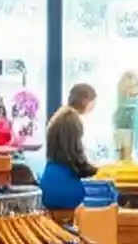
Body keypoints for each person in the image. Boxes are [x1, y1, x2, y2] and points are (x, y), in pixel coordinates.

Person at [40, 83, 99, 218]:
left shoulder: (60, 116)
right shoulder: (71, 120)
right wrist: (96, 170)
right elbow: (75, 156)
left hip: (50, 181)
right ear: (85, 100)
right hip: (64, 186)